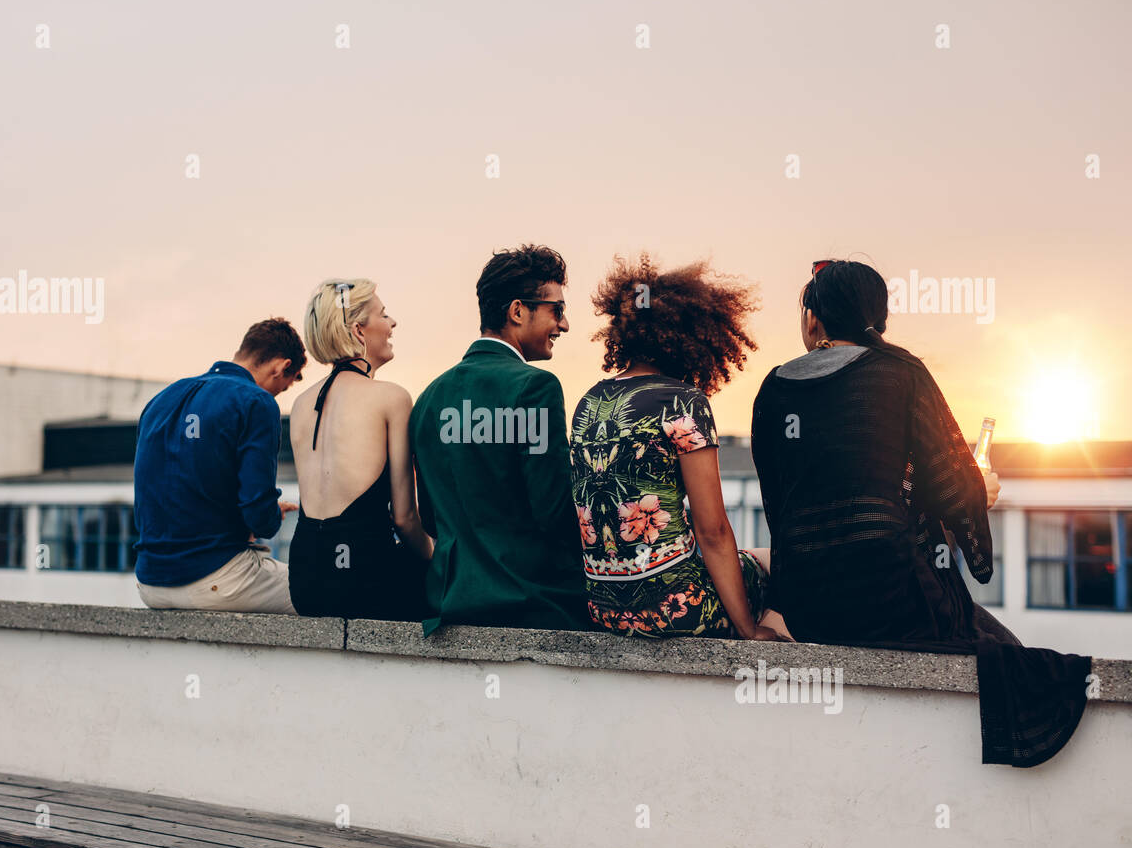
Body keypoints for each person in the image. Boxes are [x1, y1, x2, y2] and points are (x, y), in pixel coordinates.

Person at [750, 259, 1018, 645]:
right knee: (1006, 648)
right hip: (893, 600)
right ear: (878, 322)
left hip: (809, 606)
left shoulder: (773, 388)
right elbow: (951, 490)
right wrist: (981, 493)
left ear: (812, 320)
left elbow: (780, 499)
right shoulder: (901, 374)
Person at [570, 253, 790, 640]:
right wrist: (749, 630)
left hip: (602, 610)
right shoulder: (682, 401)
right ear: (695, 335)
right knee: (773, 566)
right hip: (676, 608)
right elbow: (714, 532)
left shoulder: (588, 402)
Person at [409, 244, 588, 635]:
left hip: (449, 606)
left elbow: (430, 519)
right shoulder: (535, 387)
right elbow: (554, 511)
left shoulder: (428, 398)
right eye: (557, 310)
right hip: (535, 603)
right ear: (518, 311)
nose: (564, 324)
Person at [133, 318, 306, 612]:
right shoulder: (257, 402)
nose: (277, 393)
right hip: (215, 579)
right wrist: (270, 516)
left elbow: (172, 486)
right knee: (324, 593)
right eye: (283, 386)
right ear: (280, 366)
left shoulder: (160, 400)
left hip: (150, 583)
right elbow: (258, 516)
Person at [287, 279, 432, 620]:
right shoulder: (391, 397)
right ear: (358, 331)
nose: (392, 323)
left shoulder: (300, 403)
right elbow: (404, 518)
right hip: (362, 576)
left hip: (304, 577)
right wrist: (433, 555)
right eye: (383, 314)